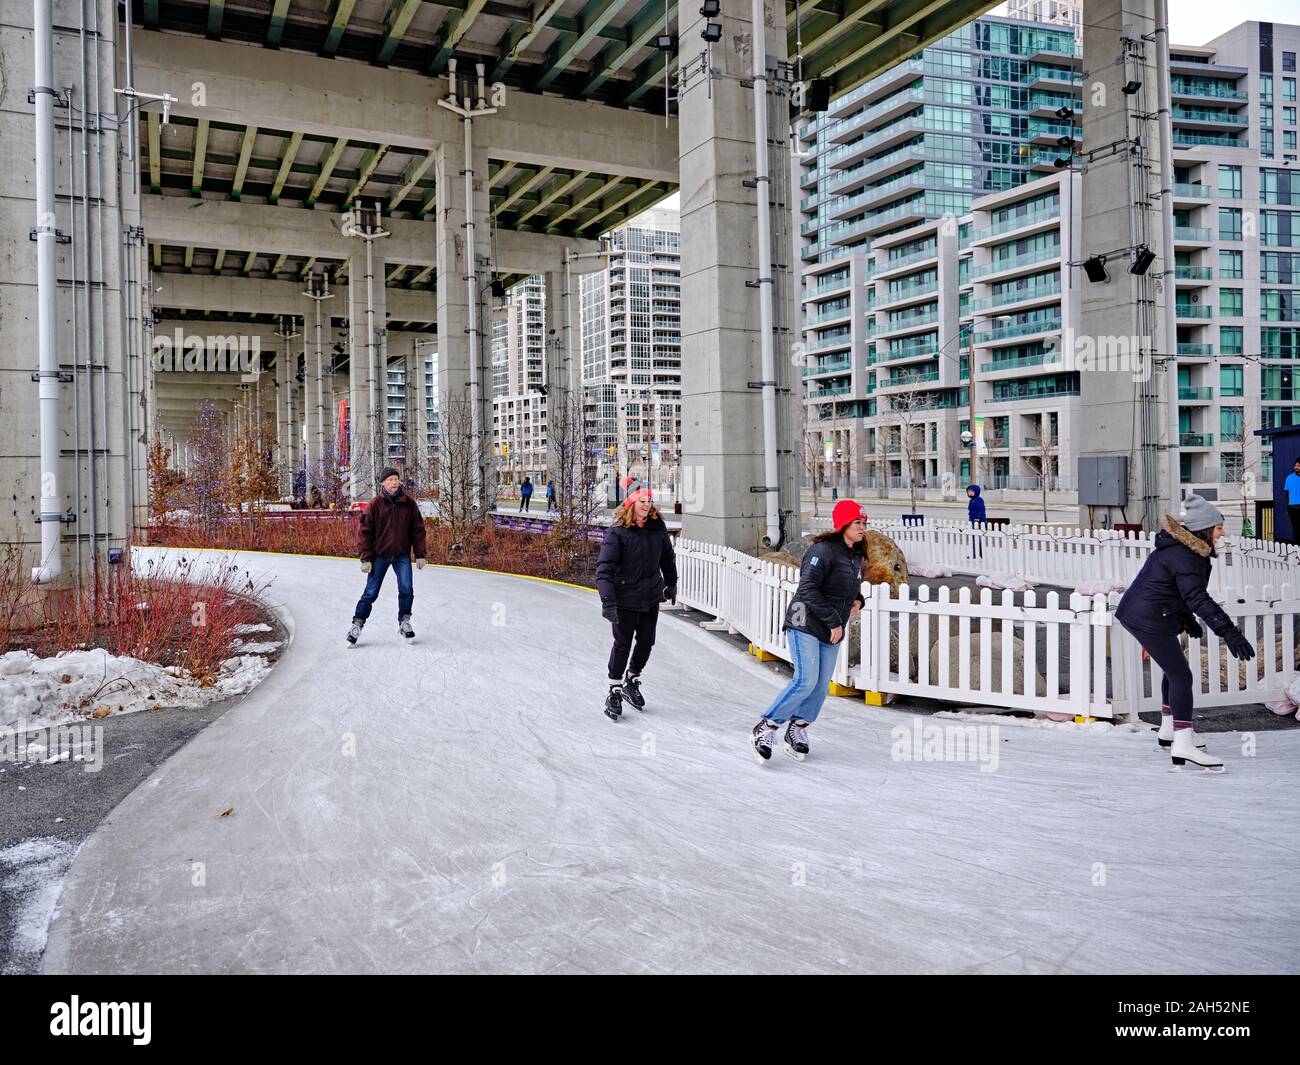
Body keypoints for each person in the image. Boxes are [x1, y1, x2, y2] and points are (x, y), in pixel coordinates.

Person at [1114, 494, 1255, 772]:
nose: (1222, 533)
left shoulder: (1180, 549)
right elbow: (1197, 597)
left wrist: (1185, 617)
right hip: (1149, 617)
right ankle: (1183, 743)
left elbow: (1170, 588)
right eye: (1218, 527)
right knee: (1181, 675)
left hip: (1147, 612)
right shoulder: (1187, 555)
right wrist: (1228, 631)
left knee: (1174, 670)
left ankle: (1170, 730)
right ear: (1204, 529)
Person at [750, 499, 867, 764]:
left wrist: (859, 600)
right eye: (857, 523)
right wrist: (833, 621)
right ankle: (766, 726)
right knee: (805, 681)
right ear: (843, 525)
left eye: (864, 523)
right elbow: (807, 589)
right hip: (807, 624)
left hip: (831, 629)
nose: (862, 528)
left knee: (821, 687)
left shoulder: (855, 554)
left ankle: (797, 728)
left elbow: (848, 587)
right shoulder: (822, 551)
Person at [595, 478, 677, 721]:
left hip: (650, 595)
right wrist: (607, 601)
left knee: (646, 642)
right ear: (631, 502)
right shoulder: (617, 533)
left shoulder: (656, 527)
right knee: (622, 644)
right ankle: (614, 689)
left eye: (650, 501)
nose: (647, 505)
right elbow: (604, 570)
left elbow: (667, 557)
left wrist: (671, 583)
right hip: (624, 598)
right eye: (642, 500)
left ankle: (632, 679)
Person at [347, 466, 428, 645]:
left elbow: (418, 530)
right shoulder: (374, 504)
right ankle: (357, 625)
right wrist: (366, 558)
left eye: (396, 479)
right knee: (370, 592)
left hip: (401, 555)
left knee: (407, 588)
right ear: (383, 482)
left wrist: (420, 553)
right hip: (380, 556)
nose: (393, 482)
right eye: (390, 479)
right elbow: (364, 532)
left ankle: (404, 622)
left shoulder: (409, 503)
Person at [1283, 458, 1300, 545]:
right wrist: (1286, 507)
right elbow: (1286, 493)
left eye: (1298, 466)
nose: (1296, 467)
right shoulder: (1289, 478)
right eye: (1295, 465)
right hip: (1292, 507)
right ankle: (1296, 546)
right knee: (1295, 527)